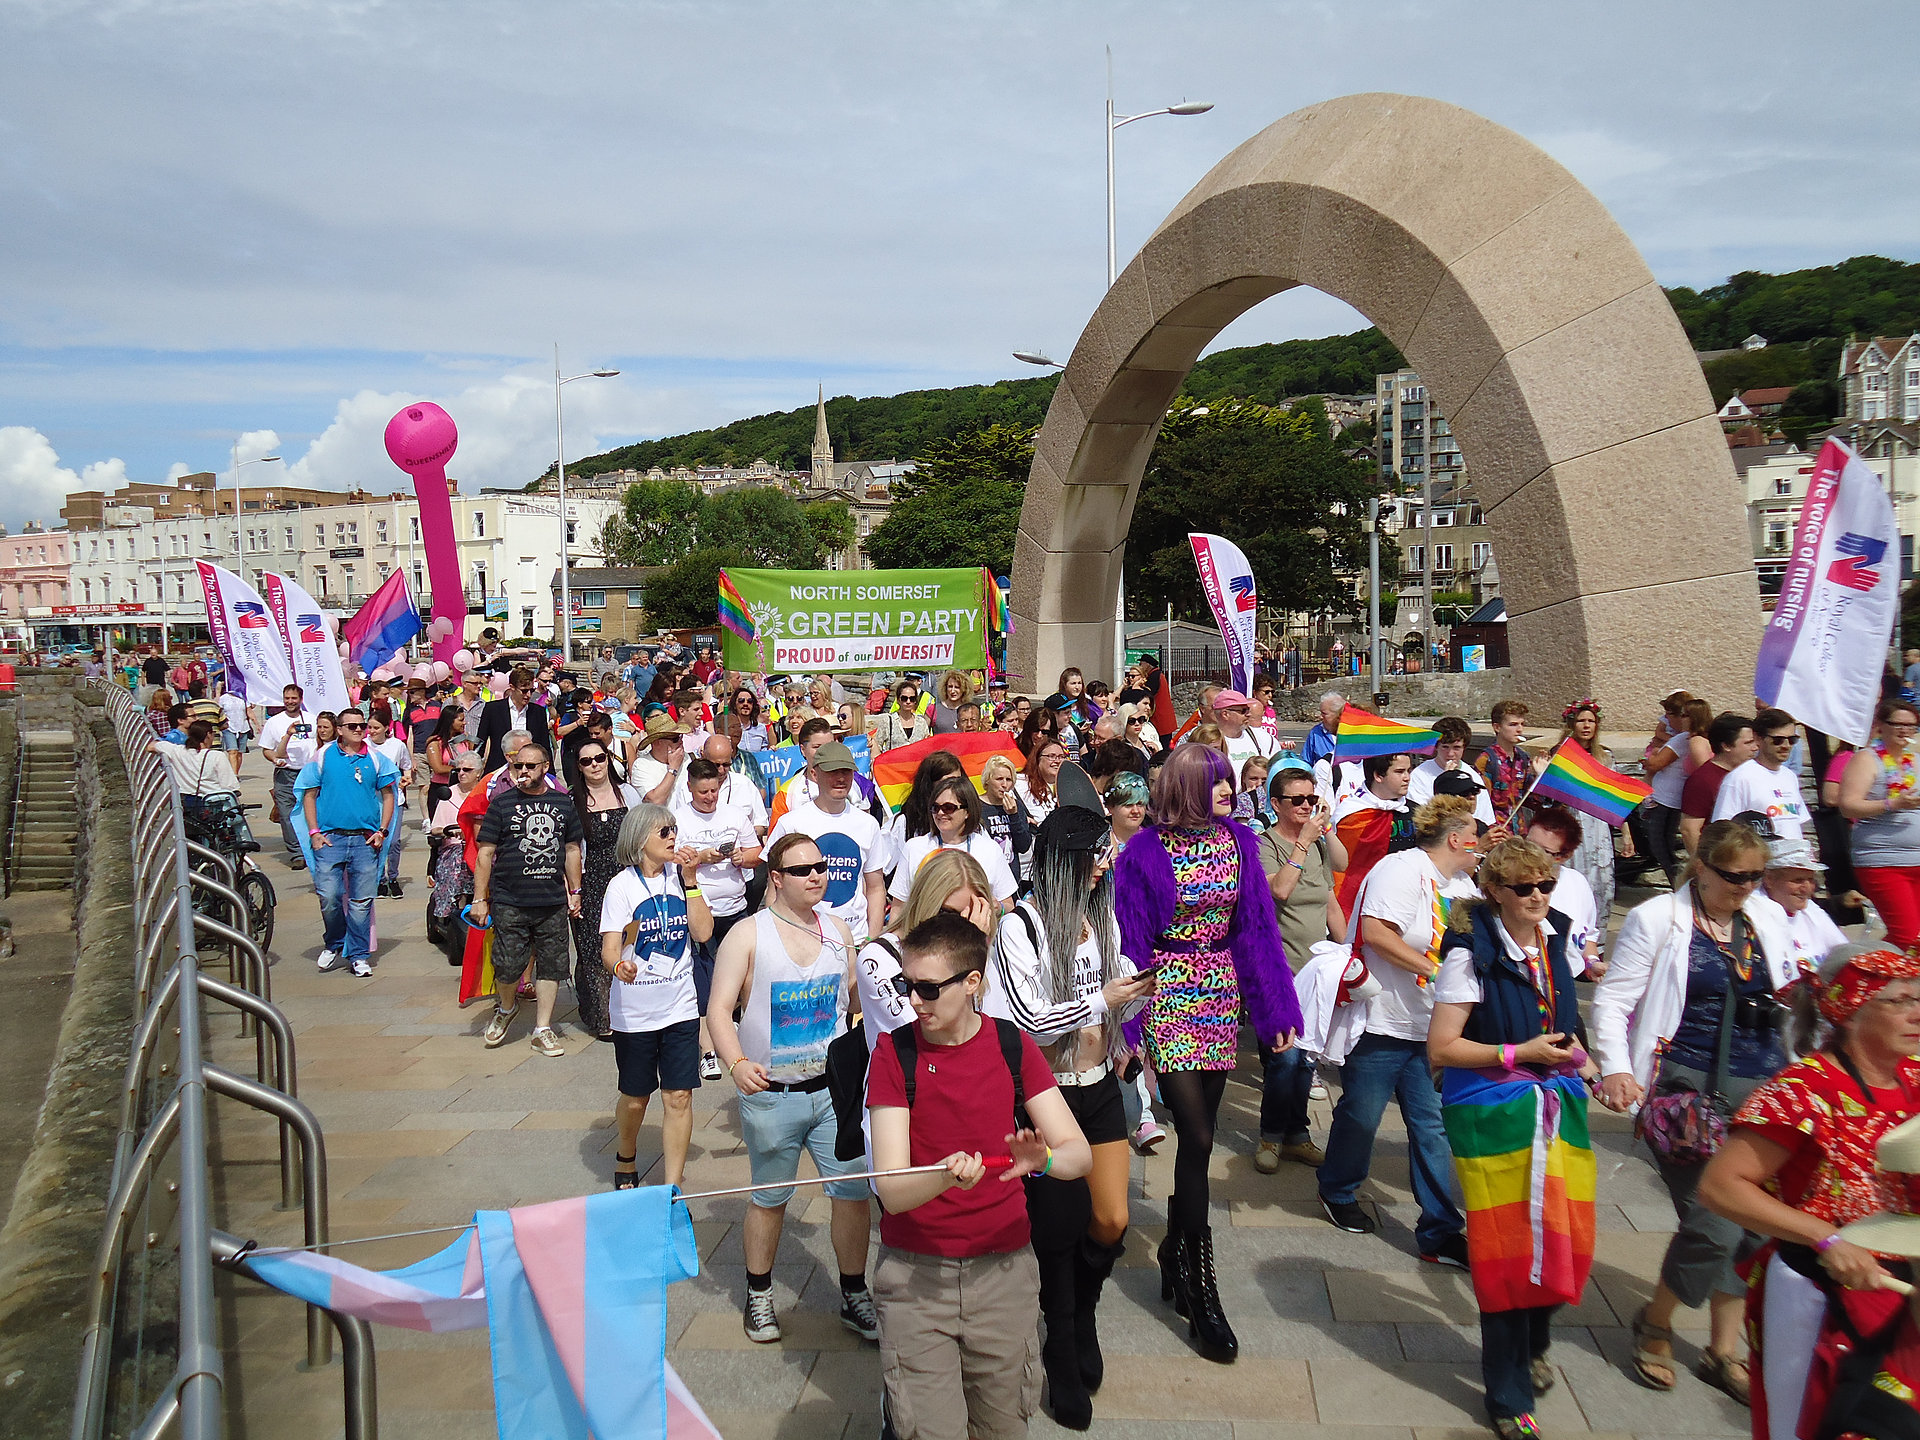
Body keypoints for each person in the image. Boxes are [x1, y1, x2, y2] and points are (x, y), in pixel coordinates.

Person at [1590, 819, 1799, 1403]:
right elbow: (1614, 999)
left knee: (1755, 1226)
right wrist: (1616, 1068)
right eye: (1734, 876)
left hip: (1763, 1086)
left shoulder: (1768, 919)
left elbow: (1792, 994)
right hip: (1685, 1086)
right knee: (1713, 1224)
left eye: (1757, 876)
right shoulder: (1657, 919)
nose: (1746, 888)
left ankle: (1722, 1349)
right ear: (1702, 867)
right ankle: (1656, 1323)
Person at [867, 912, 1093, 1440]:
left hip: (1004, 1275)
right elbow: (893, 1190)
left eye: (927, 988)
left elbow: (1078, 1153)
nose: (913, 1002)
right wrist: (947, 1177)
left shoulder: (1012, 1046)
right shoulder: (893, 1054)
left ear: (972, 983)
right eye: (906, 986)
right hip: (916, 1279)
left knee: (1003, 1428)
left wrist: (1045, 1162)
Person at [1114, 743, 1303, 1362]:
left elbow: (1255, 929)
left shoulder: (1240, 844)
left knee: (1206, 1135)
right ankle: (1201, 1288)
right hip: (1164, 992)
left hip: (1220, 996)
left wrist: (1275, 1009)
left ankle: (1175, 1249)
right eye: (1214, 781)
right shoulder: (1141, 852)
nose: (1227, 790)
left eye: (1227, 780)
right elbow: (1130, 943)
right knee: (1193, 1138)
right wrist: (1129, 1027)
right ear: (1184, 787)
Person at [1698, 943, 1920, 1440]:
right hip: (1818, 1287)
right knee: (1806, 1425)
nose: (1917, 1013)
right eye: (1899, 1000)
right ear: (1852, 1007)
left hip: (1903, 1286)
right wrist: (1827, 1238)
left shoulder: (1915, 1076)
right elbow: (1720, 1187)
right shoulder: (1803, 1090)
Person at [984, 803, 1154, 1428]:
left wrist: (1136, 1002)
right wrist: (1100, 999)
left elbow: (1120, 983)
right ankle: (1062, 1350)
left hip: (1100, 1083)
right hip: (1046, 1096)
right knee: (1056, 1235)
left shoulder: (1101, 913)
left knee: (1109, 1219)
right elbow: (1027, 1022)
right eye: (1092, 856)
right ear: (1063, 861)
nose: (1103, 865)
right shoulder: (1019, 927)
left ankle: (1083, 1310)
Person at [1429, 838, 1599, 1439]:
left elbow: (1564, 1026)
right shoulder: (1469, 953)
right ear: (1495, 892)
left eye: (1544, 886)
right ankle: (1507, 1396)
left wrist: (1593, 1068)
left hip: (1556, 1105)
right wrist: (1518, 1052)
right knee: (1508, 1255)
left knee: (1568, 1240)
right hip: (1493, 1111)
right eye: (1523, 888)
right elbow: (1444, 1048)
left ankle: (1534, 1339)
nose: (1536, 898)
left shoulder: (1555, 939)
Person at [707, 832, 876, 1344]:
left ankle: (853, 1293)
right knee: (770, 1197)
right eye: (804, 870)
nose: (818, 876)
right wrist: (735, 1062)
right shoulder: (748, 934)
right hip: (771, 1095)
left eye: (821, 867)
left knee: (851, 1194)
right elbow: (718, 1010)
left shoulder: (839, 929)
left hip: (832, 1094)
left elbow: (853, 996)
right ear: (776, 878)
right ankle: (759, 1294)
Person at [1316, 795, 1476, 1266]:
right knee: (1362, 1116)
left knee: (1431, 1126)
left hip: (1431, 1029)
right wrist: (1437, 970)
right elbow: (1376, 933)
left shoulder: (1466, 885)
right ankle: (1338, 1189)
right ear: (1453, 838)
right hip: (1383, 1020)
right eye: (1474, 836)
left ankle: (1440, 1230)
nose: (1480, 844)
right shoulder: (1401, 870)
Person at [597, 802, 709, 1189]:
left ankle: (671, 1187)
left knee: (679, 1096)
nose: (673, 837)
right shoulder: (622, 886)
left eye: (675, 829)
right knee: (635, 1097)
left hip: (680, 1006)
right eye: (664, 831)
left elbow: (704, 933)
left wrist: (691, 881)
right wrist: (618, 968)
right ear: (640, 838)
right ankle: (626, 1154)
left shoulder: (681, 879)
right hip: (636, 1011)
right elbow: (610, 947)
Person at [1254, 765, 1347, 1172]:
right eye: (1299, 800)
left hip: (1316, 971)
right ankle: (1272, 1138)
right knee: (1284, 1058)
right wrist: (1303, 843)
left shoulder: (1318, 842)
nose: (1307, 806)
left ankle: (1296, 1135)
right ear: (1276, 804)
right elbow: (1281, 890)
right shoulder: (1263, 844)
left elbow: (1331, 890)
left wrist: (1346, 951)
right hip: (1276, 968)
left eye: (1312, 799)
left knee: (1306, 1060)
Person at [472, 743, 586, 1058]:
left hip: (551, 901)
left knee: (553, 965)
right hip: (510, 899)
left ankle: (543, 1028)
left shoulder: (562, 804)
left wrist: (575, 891)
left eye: (530, 766)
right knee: (507, 965)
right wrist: (480, 898)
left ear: (545, 767)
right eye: (518, 765)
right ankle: (506, 1008)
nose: (523, 771)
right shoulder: (501, 804)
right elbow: (485, 853)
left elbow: (572, 849)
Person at [295, 706, 402, 979]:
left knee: (361, 902)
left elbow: (389, 795)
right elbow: (308, 794)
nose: (358, 729)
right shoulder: (323, 755)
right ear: (339, 729)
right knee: (328, 897)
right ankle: (334, 941)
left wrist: (382, 830)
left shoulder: (376, 759)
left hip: (365, 841)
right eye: (351, 726)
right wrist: (314, 832)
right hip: (331, 838)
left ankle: (358, 954)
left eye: (361, 725)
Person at [672, 756, 762, 1075]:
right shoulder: (678, 819)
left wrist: (742, 857)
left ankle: (740, 1036)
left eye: (714, 790)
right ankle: (708, 1051)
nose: (710, 797)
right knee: (704, 982)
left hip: (735, 907)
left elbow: (756, 853)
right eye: (703, 792)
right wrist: (699, 859)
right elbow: (672, 862)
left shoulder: (735, 815)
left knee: (742, 977)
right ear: (689, 789)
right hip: (699, 911)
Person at [766, 740, 887, 946]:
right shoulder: (790, 823)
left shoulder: (868, 824)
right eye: (832, 772)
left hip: (854, 940)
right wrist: (780, 940)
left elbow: (876, 887)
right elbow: (773, 889)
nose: (840, 778)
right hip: (802, 939)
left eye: (846, 772)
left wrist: (871, 939)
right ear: (814, 774)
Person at [567, 736, 645, 1039]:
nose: (595, 765)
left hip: (627, 878)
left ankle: (631, 1010)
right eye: (587, 761)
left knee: (629, 943)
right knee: (594, 950)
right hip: (592, 880)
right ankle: (603, 1017)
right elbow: (571, 848)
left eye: (599, 758)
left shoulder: (627, 793)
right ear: (579, 767)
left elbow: (642, 834)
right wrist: (574, 890)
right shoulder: (573, 800)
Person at [1838, 697, 1920, 949]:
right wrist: (1891, 804)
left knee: (1915, 938)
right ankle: (1861, 974)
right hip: (1883, 860)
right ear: (1881, 726)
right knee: (1907, 936)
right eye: (1898, 724)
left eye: (1912, 725)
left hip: (1917, 858)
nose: (1905, 730)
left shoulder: (1915, 760)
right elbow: (1847, 805)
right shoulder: (1866, 759)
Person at [890, 772, 1018, 912]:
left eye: (948, 808)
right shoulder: (914, 848)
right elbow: (898, 909)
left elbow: (1009, 904)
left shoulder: (989, 849)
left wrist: (999, 908)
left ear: (967, 811)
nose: (940, 813)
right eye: (935, 807)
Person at [1521, 805, 1604, 980]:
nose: (1529, 854)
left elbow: (1587, 935)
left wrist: (1591, 963)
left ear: (1564, 856)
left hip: (1563, 983)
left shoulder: (1577, 883)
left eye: (1543, 851)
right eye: (1527, 844)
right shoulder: (1507, 884)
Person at [1644, 698, 1714, 887]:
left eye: (1684, 715)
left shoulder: (1687, 739)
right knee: (1663, 847)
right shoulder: (1693, 739)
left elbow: (1656, 764)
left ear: (1694, 718)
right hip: (1671, 798)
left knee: (1661, 847)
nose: (1680, 719)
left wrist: (1655, 752)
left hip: (1666, 799)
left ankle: (1680, 886)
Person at [1713, 707, 1808, 844]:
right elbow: (1722, 829)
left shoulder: (1790, 777)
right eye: (1778, 740)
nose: (1786, 746)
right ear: (1758, 738)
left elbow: (1796, 824)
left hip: (1794, 860)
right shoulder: (1739, 778)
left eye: (1792, 739)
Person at [1759, 837, 1847, 976]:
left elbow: (1844, 954)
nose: (1807, 888)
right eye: (1797, 880)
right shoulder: (1756, 915)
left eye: (1811, 880)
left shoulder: (1811, 910)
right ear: (1769, 880)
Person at [428, 753, 486, 956]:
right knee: (456, 865)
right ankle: (453, 910)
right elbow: (435, 829)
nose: (461, 773)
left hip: (480, 847)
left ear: (478, 773)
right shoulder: (448, 795)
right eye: (458, 770)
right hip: (454, 847)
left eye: (467, 770)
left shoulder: (486, 795)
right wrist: (449, 830)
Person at [1682, 712, 1760, 856]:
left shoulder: (1753, 774)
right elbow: (1690, 830)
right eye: (1748, 743)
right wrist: (1703, 866)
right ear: (1726, 746)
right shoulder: (1702, 779)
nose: (1755, 747)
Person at [259, 683, 317, 868]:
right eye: (287, 698)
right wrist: (275, 759)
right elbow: (267, 749)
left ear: (300, 699)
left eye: (294, 698)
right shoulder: (274, 722)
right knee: (287, 814)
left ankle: (313, 847)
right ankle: (296, 853)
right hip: (285, 774)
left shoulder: (312, 719)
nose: (290, 702)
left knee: (312, 812)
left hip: (308, 773)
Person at [1407, 716, 1495, 824]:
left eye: (1456, 748)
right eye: (1445, 747)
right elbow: (1421, 817)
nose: (1450, 754)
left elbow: (1485, 818)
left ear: (1464, 748)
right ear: (1436, 747)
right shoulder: (1420, 775)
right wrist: (1448, 780)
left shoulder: (1473, 776)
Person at [367, 713, 414, 898]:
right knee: (375, 841)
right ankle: (379, 879)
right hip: (371, 801)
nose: (371, 731)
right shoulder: (364, 746)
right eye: (369, 727)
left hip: (395, 799)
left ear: (387, 728)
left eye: (376, 728)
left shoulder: (397, 745)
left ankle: (393, 877)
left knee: (393, 841)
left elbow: (406, 765)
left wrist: (406, 779)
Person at [474, 666, 553, 773]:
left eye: (531, 690)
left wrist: (551, 776)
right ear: (512, 687)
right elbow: (480, 742)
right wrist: (475, 770)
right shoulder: (492, 709)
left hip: (529, 770)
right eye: (524, 691)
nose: (528, 695)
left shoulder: (538, 712)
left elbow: (544, 747)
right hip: (499, 768)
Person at [1476, 700, 1541, 828]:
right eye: (1513, 725)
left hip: (1519, 830)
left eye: (1522, 724)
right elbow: (1481, 802)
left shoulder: (1523, 758)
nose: (1519, 729)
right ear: (1497, 727)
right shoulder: (1487, 760)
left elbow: (1532, 801)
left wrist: (1540, 776)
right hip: (1496, 831)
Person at [148, 719, 242, 809]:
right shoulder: (217, 756)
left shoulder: (177, 751)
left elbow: (151, 746)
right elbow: (229, 786)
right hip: (211, 802)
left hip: (185, 802)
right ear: (208, 735)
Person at [1015, 737, 1068, 879]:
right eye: (1051, 756)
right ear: (1038, 759)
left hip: (1055, 868)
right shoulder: (1020, 784)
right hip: (1026, 870)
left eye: (1061, 757)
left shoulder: (1067, 788)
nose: (1057, 761)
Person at [979, 753, 1032, 876]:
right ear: (987, 780)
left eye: (1008, 780)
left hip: (1011, 877)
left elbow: (1024, 846)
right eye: (999, 779)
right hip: (985, 876)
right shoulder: (977, 806)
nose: (1004, 784)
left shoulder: (1016, 806)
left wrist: (1013, 816)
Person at [1213, 690, 1277, 775]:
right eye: (1243, 711)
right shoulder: (1208, 740)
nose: (1249, 714)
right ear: (1225, 714)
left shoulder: (1265, 739)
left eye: (1248, 709)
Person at [1300, 692, 1345, 769]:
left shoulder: (1352, 733)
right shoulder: (1316, 733)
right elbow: (1305, 764)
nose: (1320, 717)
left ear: (1338, 715)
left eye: (1324, 713)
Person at [1104, 770, 1148, 848]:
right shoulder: (1098, 844)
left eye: (1140, 804)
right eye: (1128, 805)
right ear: (1110, 807)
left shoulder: (1154, 842)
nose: (1135, 811)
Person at [217, 685, 253, 777]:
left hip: (243, 727)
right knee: (232, 751)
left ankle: (236, 771)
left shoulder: (243, 697)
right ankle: (234, 775)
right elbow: (218, 710)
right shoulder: (223, 698)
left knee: (239, 753)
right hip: (229, 727)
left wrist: (256, 724)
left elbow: (249, 710)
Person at [930, 670, 972, 734]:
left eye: (957, 687)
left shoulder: (970, 710)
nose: (952, 691)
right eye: (950, 687)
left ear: (964, 689)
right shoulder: (933, 709)